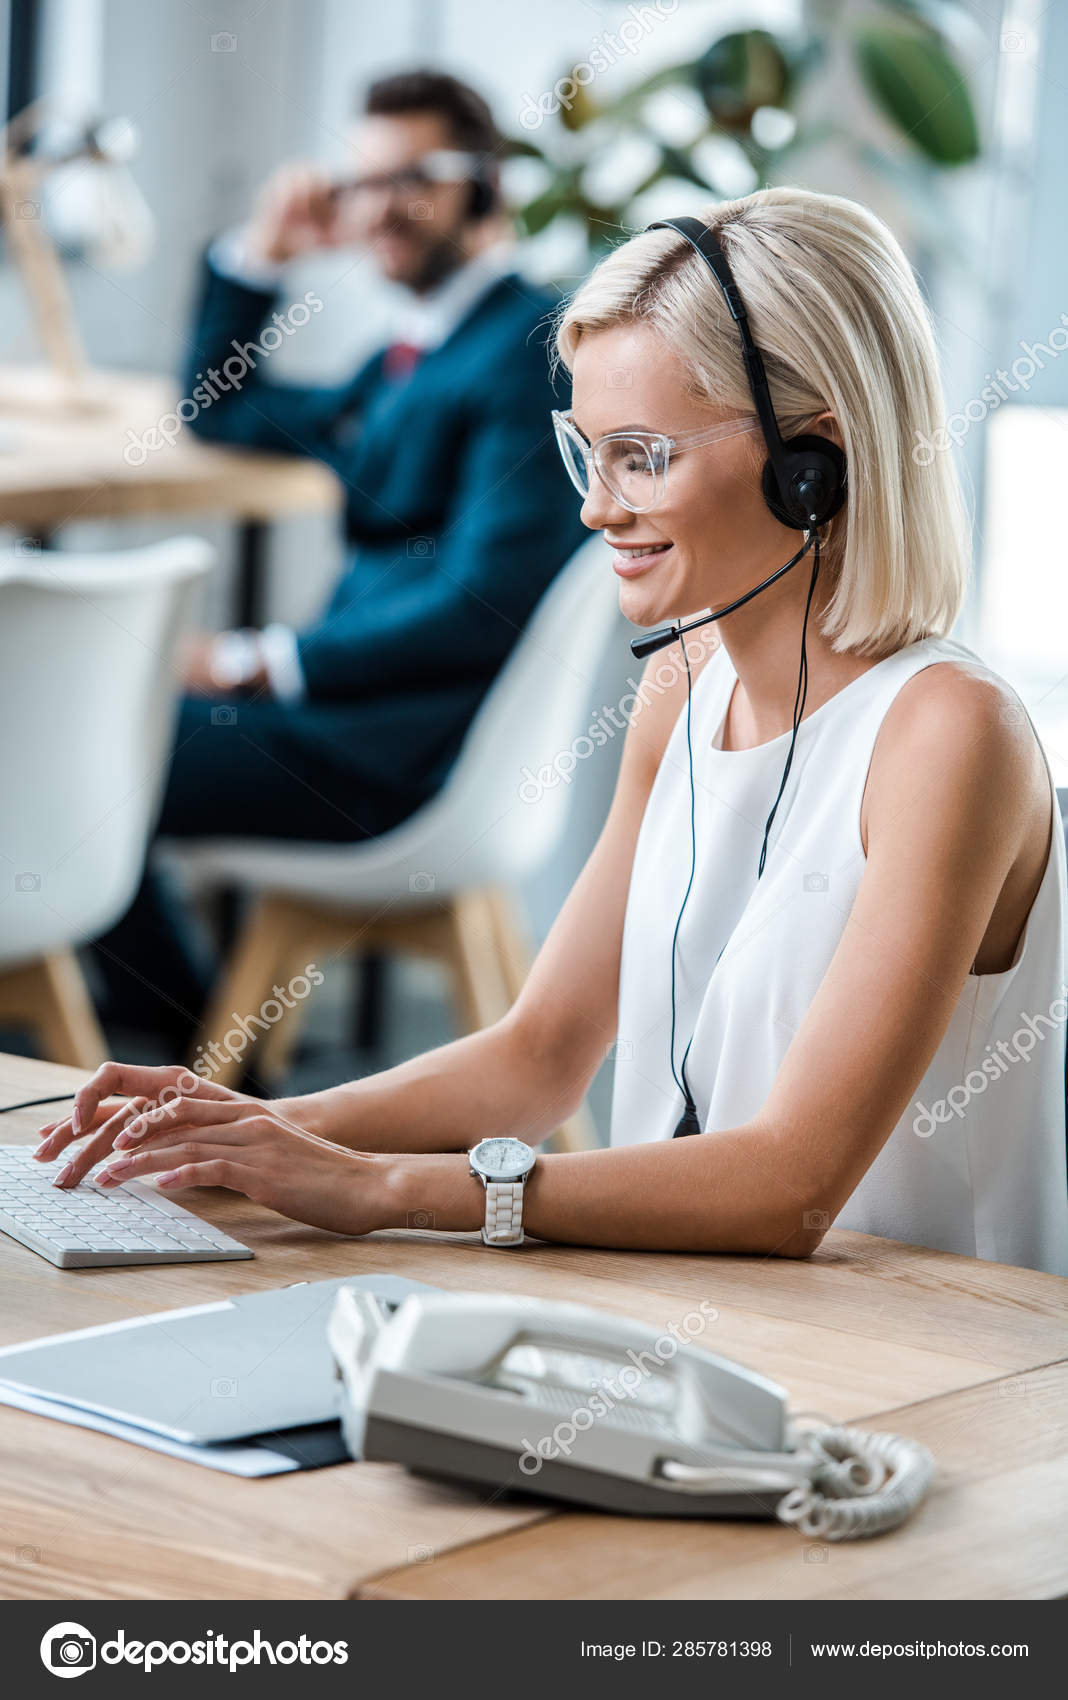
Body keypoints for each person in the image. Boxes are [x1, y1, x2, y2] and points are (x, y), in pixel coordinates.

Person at [50, 187, 1068, 1276]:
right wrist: (263, 1127)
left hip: (914, 1363)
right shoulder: (683, 679)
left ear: (811, 460)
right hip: (688, 1325)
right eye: (588, 453)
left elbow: (791, 1184)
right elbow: (539, 1055)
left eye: (642, 455)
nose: (596, 508)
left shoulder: (950, 736)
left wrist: (385, 1187)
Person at [94, 69, 585, 1043]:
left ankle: (193, 1059)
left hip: (397, 754)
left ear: (486, 185)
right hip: (345, 722)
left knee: (91, 755)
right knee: (89, 736)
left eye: (416, 177)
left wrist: (257, 660)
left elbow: (481, 601)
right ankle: (199, 1049)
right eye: (362, 182)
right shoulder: (412, 355)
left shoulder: (525, 352)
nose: (381, 208)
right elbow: (223, 407)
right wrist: (262, 255)